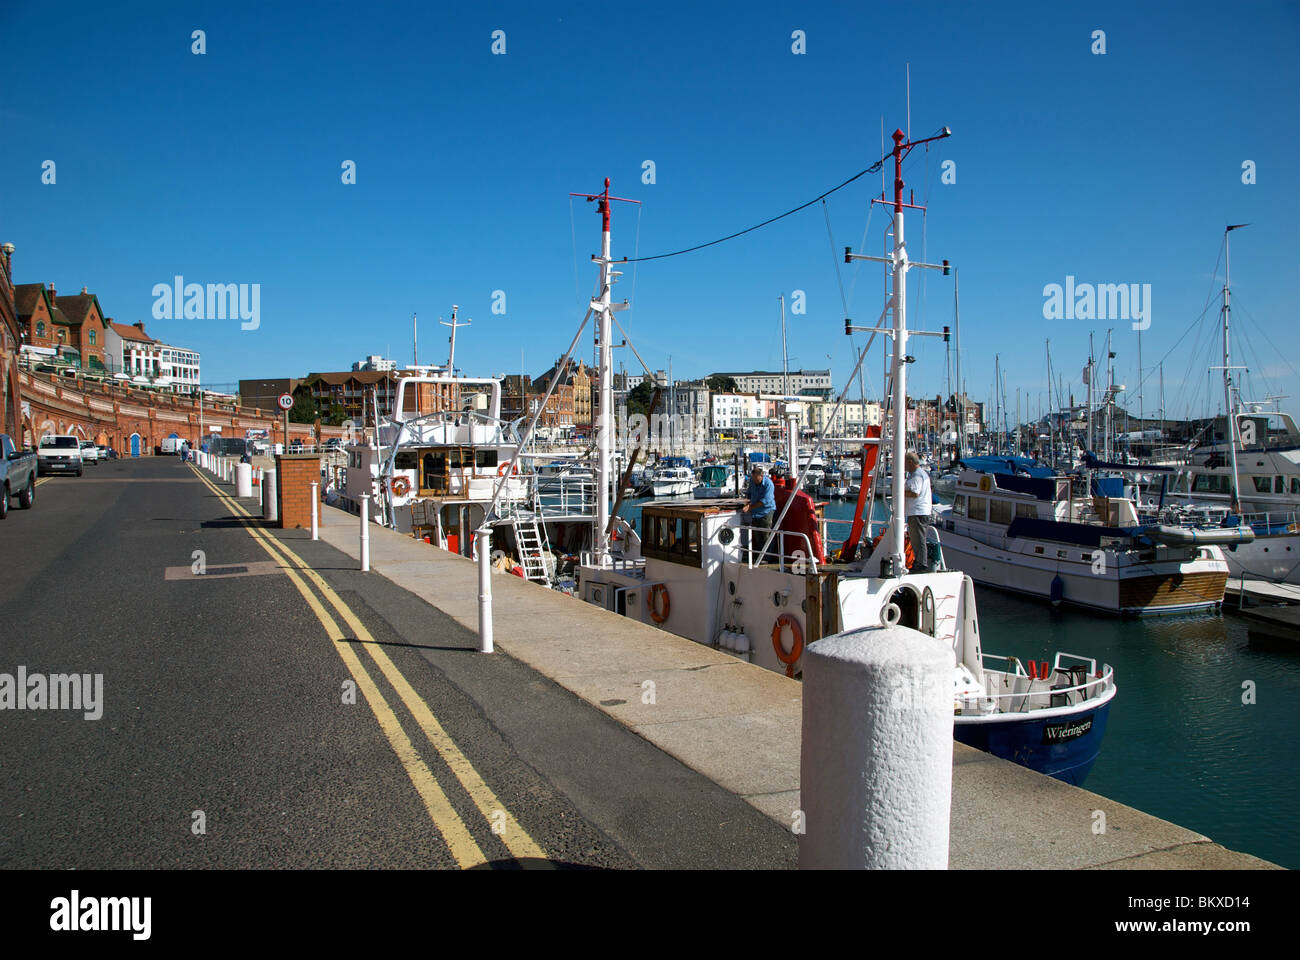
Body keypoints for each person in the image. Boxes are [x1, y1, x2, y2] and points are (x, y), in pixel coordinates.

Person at [903, 451, 933, 572]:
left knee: (918, 538)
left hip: (918, 512)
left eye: (904, 462)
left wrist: (899, 491)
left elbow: (915, 493)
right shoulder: (920, 474)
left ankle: (921, 564)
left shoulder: (917, 476)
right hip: (918, 511)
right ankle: (919, 561)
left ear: (910, 462)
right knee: (917, 538)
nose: (903, 465)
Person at [740, 465, 776, 558]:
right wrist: (746, 502)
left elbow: (766, 500)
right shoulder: (752, 482)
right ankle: (760, 555)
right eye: (753, 479)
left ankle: (768, 557)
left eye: (756, 479)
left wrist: (750, 507)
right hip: (755, 512)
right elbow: (750, 493)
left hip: (766, 511)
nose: (755, 481)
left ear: (761, 476)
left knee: (766, 534)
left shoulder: (768, 484)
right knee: (757, 534)